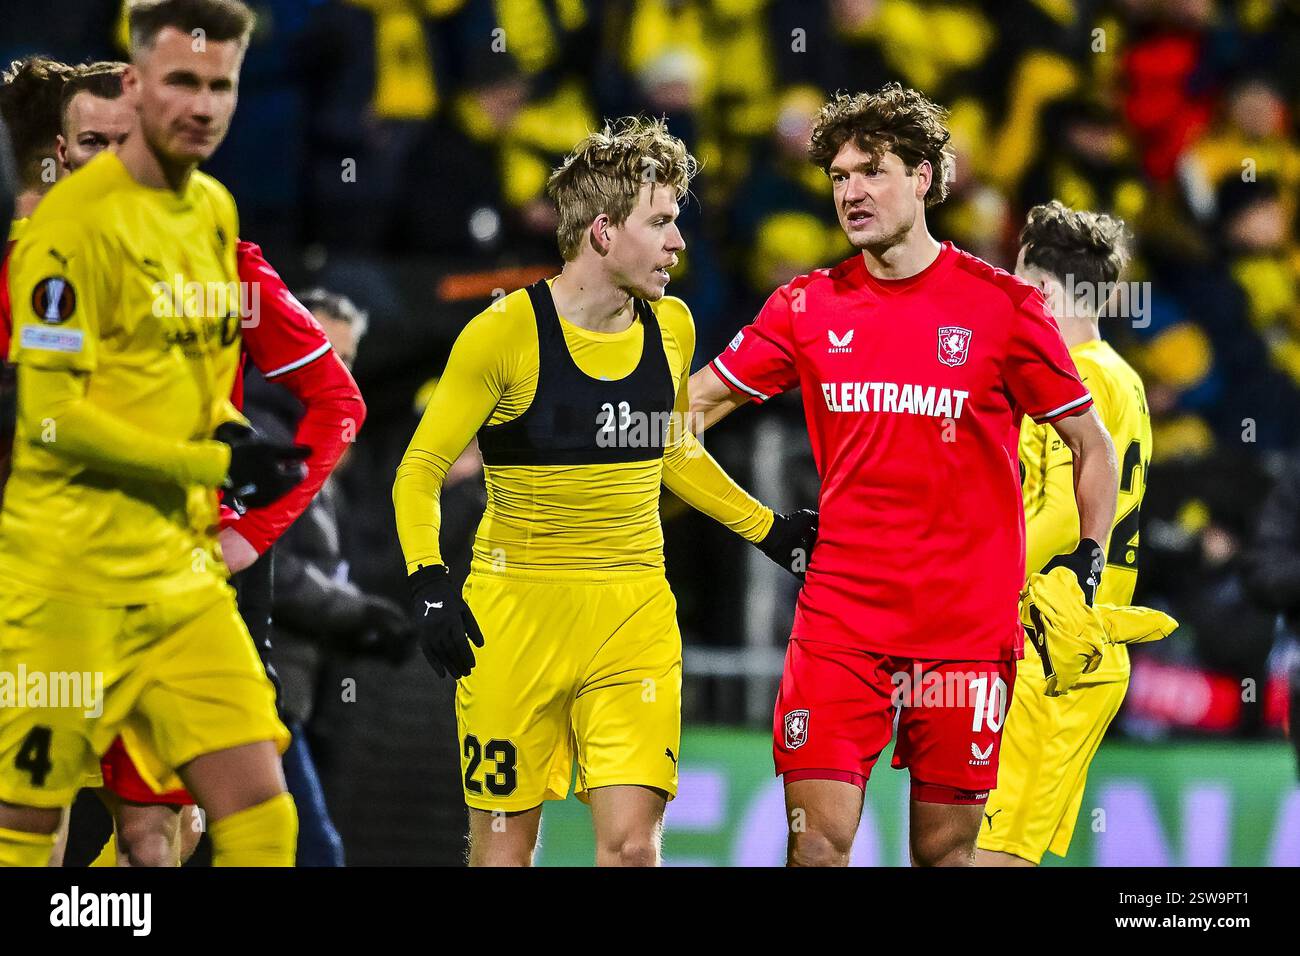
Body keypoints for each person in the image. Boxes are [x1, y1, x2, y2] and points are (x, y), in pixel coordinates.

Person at [689, 84, 1120, 867]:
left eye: (872, 171)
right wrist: (757, 523)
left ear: (924, 176)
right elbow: (689, 411)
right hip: (841, 623)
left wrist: (1087, 563)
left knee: (946, 857)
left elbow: (1093, 444)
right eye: (839, 177)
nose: (850, 192)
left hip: (965, 633)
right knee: (814, 845)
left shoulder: (1005, 308)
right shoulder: (805, 307)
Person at [393, 116, 817, 867]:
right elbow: (419, 468)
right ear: (600, 232)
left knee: (630, 849)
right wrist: (429, 581)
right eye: (659, 223)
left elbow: (674, 451)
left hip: (633, 614)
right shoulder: (502, 334)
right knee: (501, 857)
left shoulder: (673, 327)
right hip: (513, 616)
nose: (678, 244)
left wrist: (770, 531)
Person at [0, 0, 304, 867]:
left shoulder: (213, 212)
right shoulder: (68, 227)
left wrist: (235, 433)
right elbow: (51, 416)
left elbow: (197, 376)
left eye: (221, 85)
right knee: (27, 840)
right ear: (135, 85)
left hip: (180, 579)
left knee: (261, 819)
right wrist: (207, 459)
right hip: (66, 581)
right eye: (181, 81)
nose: (202, 105)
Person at [44, 60, 367, 867]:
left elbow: (340, 402)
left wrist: (254, 532)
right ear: (61, 154)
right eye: (94, 142)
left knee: (157, 830)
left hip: (190, 571)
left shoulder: (229, 269)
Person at [974, 201, 1151, 866]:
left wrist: (979, 584)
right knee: (997, 848)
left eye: (1018, 282)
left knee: (989, 852)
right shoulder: (1123, 378)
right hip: (1084, 638)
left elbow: (1069, 513)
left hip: (1048, 642)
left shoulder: (1071, 375)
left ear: (1044, 290)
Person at [256, 288, 413, 867]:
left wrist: (369, 619)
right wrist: (357, 613)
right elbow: (265, 565)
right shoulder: (261, 434)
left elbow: (326, 571)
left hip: (302, 687)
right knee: (314, 851)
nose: (336, 371)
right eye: (322, 350)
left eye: (347, 360)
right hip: (257, 681)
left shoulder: (322, 454)